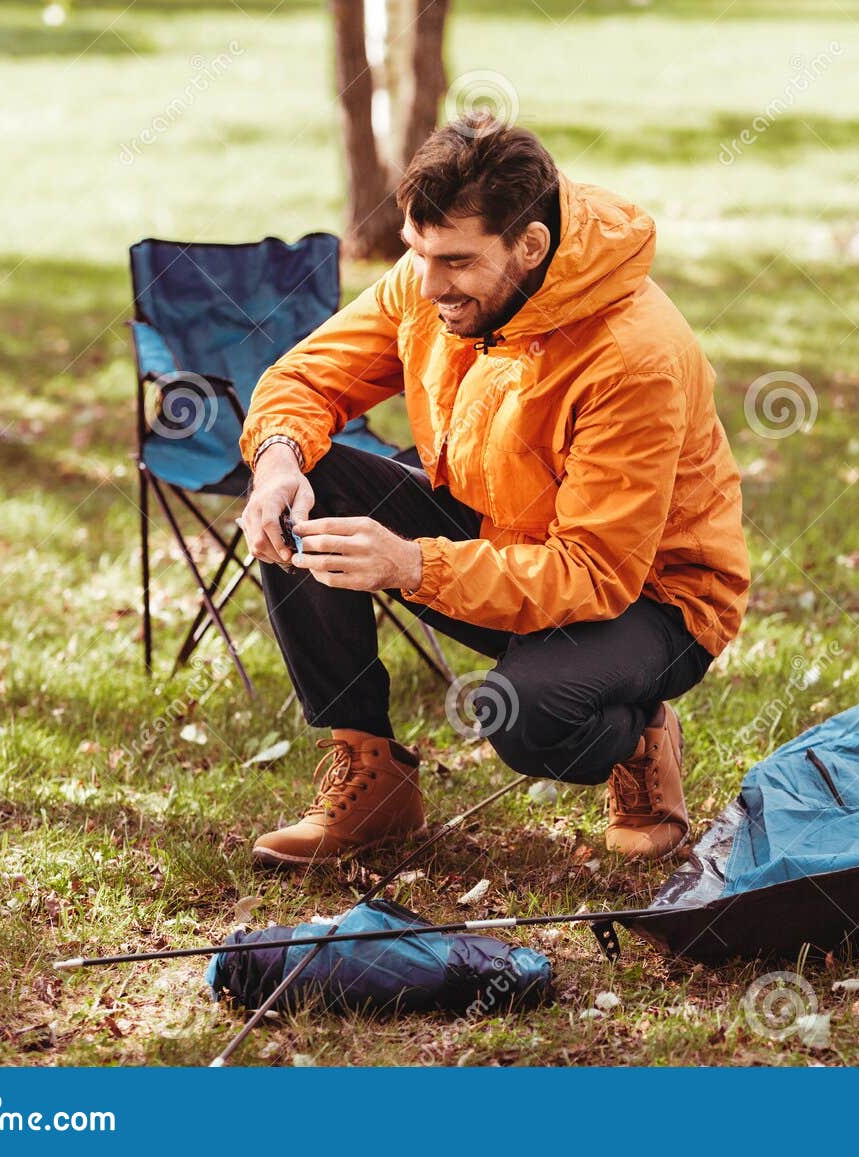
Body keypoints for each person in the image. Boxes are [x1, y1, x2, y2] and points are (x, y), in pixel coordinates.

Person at [236, 114, 749, 868]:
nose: (429, 282)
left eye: (456, 262)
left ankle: (640, 735)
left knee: (530, 716)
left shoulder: (632, 356)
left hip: (651, 597)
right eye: (419, 253)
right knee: (307, 484)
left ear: (530, 246)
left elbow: (596, 572)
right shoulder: (433, 279)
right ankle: (372, 776)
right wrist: (277, 461)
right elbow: (306, 378)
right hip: (507, 535)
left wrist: (413, 564)